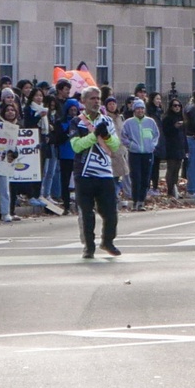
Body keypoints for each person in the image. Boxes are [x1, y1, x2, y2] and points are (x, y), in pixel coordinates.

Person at [72, 88, 125, 260]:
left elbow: (115, 146)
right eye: (92, 98)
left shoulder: (107, 121)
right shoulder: (77, 122)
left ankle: (107, 241)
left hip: (105, 174)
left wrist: (106, 135)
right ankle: (89, 246)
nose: (96, 101)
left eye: (98, 98)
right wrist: (95, 135)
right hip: (84, 174)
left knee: (110, 211)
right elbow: (77, 146)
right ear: (84, 101)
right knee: (86, 213)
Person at [123, 98, 159, 209]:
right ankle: (135, 201)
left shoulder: (150, 122)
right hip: (135, 154)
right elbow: (123, 137)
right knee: (136, 178)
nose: (140, 111)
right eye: (138, 108)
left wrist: (152, 145)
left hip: (147, 153)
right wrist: (132, 145)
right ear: (134, 110)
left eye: (142, 108)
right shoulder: (128, 123)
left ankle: (141, 201)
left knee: (145, 178)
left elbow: (156, 135)